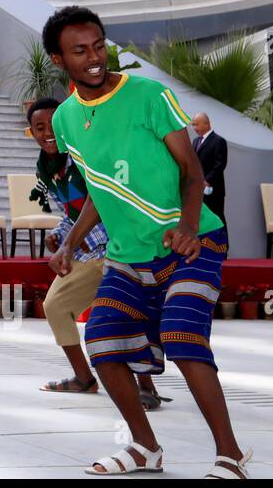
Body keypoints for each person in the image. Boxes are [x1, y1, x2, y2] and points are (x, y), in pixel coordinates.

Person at [45, 5, 249, 479]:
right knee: (102, 343)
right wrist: (71, 243)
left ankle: (230, 455)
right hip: (126, 255)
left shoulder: (148, 94)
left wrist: (190, 228)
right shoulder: (66, 121)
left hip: (193, 243)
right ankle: (144, 448)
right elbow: (100, 189)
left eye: (99, 45)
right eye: (80, 50)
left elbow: (192, 173)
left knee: (183, 335)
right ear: (59, 60)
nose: (94, 57)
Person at [28, 98, 168, 411]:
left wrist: (78, 242)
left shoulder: (86, 155)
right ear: (32, 132)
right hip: (86, 251)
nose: (47, 132)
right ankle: (84, 378)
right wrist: (60, 236)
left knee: (125, 312)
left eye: (54, 125)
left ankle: (146, 386)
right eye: (40, 127)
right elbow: (72, 212)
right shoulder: (47, 166)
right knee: (55, 305)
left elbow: (110, 201)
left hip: (123, 246)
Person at [190, 112, 227, 225]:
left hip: (213, 190)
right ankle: (205, 243)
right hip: (197, 190)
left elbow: (220, 164)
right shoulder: (196, 141)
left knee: (216, 219)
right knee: (201, 221)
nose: (194, 128)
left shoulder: (218, 141)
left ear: (206, 124)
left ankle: (221, 243)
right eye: (193, 125)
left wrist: (207, 181)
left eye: (196, 125)